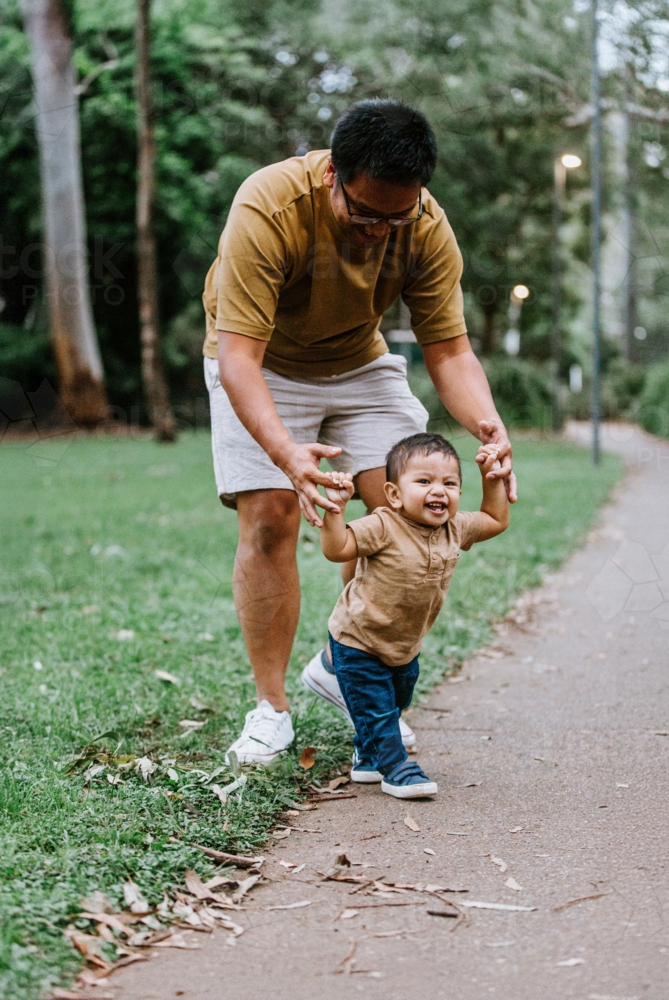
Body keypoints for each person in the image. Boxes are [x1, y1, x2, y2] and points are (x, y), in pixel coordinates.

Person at [202, 98, 517, 764]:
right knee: (270, 516)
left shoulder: (424, 225)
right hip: (263, 363)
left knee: (404, 514)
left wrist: (486, 422)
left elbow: (450, 350)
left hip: (359, 362)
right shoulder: (270, 205)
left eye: (397, 216)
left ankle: (345, 671)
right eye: (365, 213)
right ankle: (270, 709)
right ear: (330, 177)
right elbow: (237, 358)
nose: (382, 230)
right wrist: (286, 453)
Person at [319, 433, 509, 798]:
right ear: (393, 494)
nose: (438, 491)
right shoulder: (384, 525)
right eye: (424, 481)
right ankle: (396, 768)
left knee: (396, 700)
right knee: (379, 712)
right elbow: (337, 548)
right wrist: (334, 510)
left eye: (449, 483)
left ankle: (368, 755)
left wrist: (491, 478)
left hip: (405, 645)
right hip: (357, 640)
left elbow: (495, 519)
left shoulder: (455, 528)